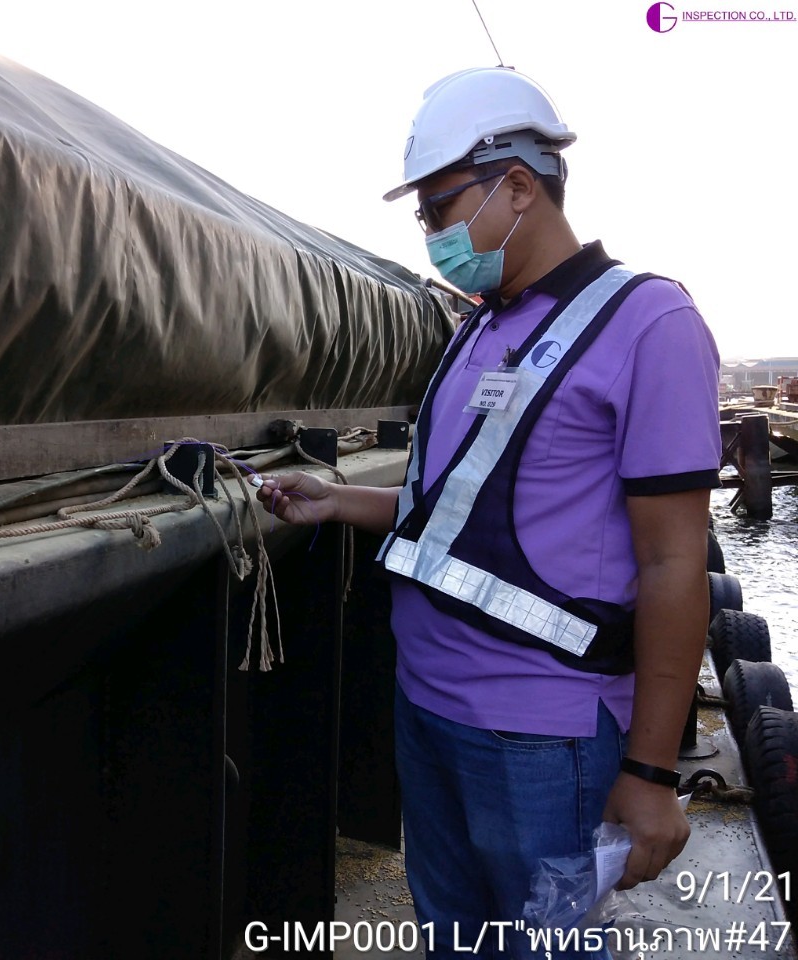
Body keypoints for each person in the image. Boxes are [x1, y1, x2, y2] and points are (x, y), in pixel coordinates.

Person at [257, 67, 721, 958]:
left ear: (517, 186)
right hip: (426, 706)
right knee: (456, 942)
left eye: (438, 209)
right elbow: (458, 516)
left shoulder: (649, 323)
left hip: (542, 737)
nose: (431, 234)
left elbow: (673, 561)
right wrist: (337, 499)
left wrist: (651, 773)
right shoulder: (480, 327)